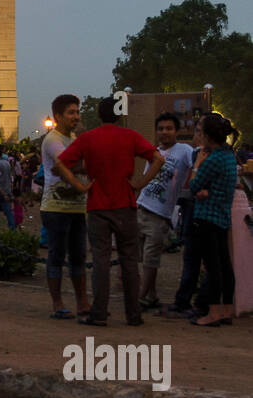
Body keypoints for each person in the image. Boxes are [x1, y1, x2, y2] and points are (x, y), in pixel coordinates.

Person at [56, 96, 163, 326]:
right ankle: (134, 314)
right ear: (119, 114)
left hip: (97, 205)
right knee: (130, 262)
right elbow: (157, 158)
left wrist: (81, 185)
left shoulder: (88, 138)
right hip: (125, 203)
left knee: (101, 262)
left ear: (99, 114)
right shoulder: (130, 136)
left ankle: (99, 313)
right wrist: (140, 183)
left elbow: (60, 165)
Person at [136, 112, 195, 310]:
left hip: (161, 212)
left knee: (151, 256)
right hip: (142, 206)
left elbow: (197, 167)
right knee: (142, 256)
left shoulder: (184, 150)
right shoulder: (154, 152)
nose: (164, 132)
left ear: (177, 131)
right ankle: (151, 295)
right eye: (161, 129)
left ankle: (141, 297)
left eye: (169, 128)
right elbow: (147, 178)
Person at [40, 94, 90, 321]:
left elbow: (71, 165)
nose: (76, 117)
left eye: (77, 112)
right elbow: (68, 163)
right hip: (56, 207)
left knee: (79, 256)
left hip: (78, 207)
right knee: (57, 256)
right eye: (71, 112)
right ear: (57, 116)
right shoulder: (52, 140)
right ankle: (57, 303)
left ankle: (82, 302)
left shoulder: (74, 138)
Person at [188, 113, 239, 327]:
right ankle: (226, 309)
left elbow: (193, 186)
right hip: (222, 216)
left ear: (208, 135)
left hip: (206, 217)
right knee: (225, 265)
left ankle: (213, 312)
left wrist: (197, 164)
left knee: (213, 267)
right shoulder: (229, 157)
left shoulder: (213, 159)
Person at [0, 147, 16, 229]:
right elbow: (10, 177)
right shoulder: (7, 163)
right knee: (8, 211)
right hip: (7, 189)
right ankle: (12, 227)